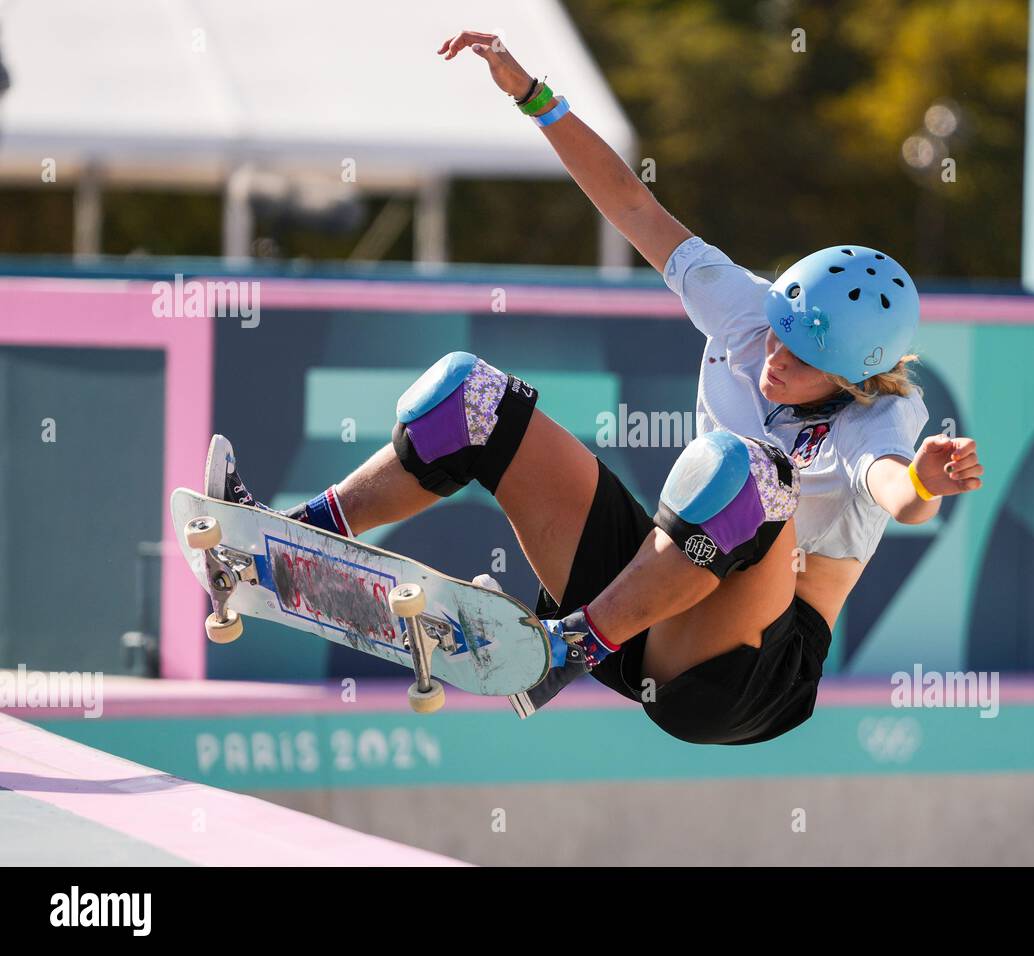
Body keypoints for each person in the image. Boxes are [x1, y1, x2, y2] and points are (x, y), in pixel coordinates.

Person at [209, 29, 984, 746]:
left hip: (743, 675)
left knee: (750, 469)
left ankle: (561, 649)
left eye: (803, 362)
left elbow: (896, 493)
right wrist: (533, 96)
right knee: (467, 399)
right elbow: (631, 203)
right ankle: (285, 541)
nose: (774, 359)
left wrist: (924, 478)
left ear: (853, 379)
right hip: (645, 607)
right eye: (778, 335)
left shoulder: (881, 417)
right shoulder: (747, 310)